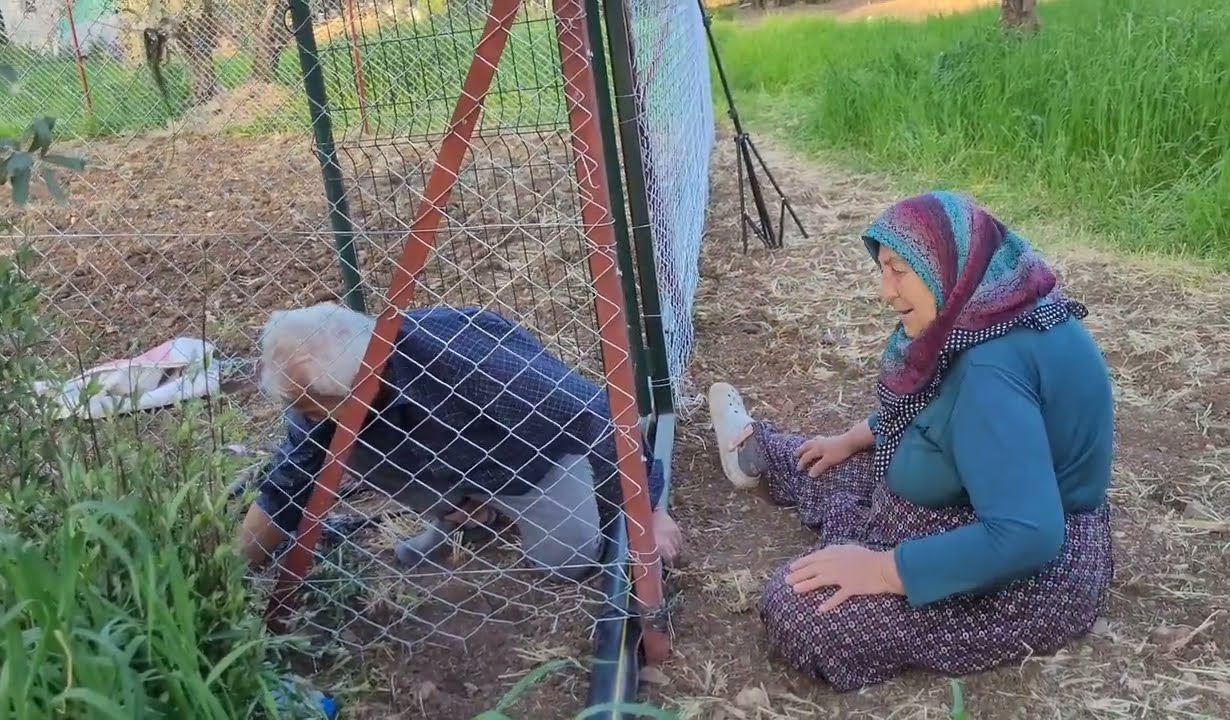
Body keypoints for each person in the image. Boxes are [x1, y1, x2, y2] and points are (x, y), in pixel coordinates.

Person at [708, 191, 1115, 690]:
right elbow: (940, 405)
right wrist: (859, 436)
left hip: (1029, 570)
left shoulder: (992, 373)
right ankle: (760, 451)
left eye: (899, 269)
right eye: (883, 270)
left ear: (946, 263)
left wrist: (884, 570)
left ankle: (855, 523)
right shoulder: (998, 305)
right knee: (824, 457)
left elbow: (1028, 534)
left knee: (800, 608)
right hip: (976, 483)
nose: (885, 291)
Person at [238, 301, 682, 581]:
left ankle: (544, 492)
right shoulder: (318, 404)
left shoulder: (462, 360)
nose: (305, 416)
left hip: (527, 459)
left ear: (362, 383)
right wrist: (230, 579)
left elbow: (598, 416)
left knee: (567, 562)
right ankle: (464, 509)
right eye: (302, 406)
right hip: (439, 461)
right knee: (335, 446)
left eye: (313, 405)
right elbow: (286, 491)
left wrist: (651, 512)